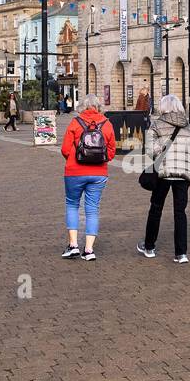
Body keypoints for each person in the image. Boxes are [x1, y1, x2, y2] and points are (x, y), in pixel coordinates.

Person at [138, 94, 190, 264]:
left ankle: (149, 246)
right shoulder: (189, 128)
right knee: (180, 213)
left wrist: (163, 144)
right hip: (183, 175)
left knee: (156, 209)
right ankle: (181, 253)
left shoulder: (156, 125)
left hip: (163, 173)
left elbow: (149, 151)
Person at [60, 94, 116, 261]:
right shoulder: (107, 124)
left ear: (82, 107)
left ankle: (73, 245)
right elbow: (112, 151)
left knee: (72, 205)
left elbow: (64, 149)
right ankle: (89, 250)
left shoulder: (75, 123)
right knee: (92, 209)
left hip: (74, 171)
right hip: (98, 173)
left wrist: (74, 159)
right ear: (98, 106)